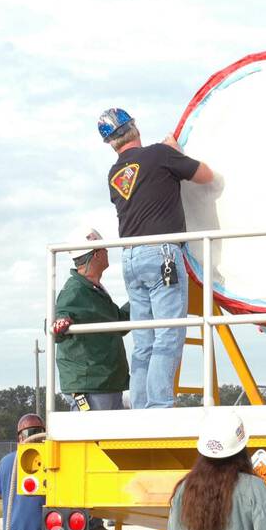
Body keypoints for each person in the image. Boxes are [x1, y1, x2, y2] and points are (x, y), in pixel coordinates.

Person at [98, 107, 217, 410]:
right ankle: (159, 406)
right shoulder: (159, 155)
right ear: (134, 126)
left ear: (111, 143)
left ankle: (141, 407)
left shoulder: (114, 175)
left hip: (131, 257)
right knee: (168, 333)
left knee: (144, 341)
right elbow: (206, 176)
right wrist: (175, 152)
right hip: (162, 253)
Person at [51, 227, 131, 530]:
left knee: (103, 454)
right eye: (105, 249)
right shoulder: (75, 290)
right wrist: (60, 325)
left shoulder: (96, 291)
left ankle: (94, 524)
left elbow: (118, 323)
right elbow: (58, 319)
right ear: (96, 255)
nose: (109, 253)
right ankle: (81, 527)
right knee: (89, 452)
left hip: (106, 381)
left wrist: (143, 300)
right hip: (90, 384)